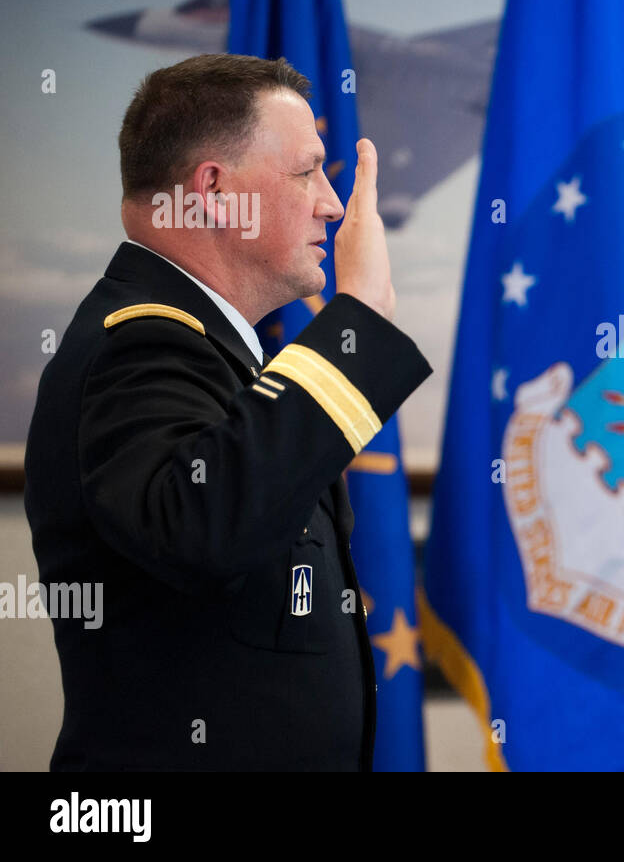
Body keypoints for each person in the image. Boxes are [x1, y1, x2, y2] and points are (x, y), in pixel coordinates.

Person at [24, 54, 432, 770]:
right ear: (214, 190)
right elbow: (207, 527)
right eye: (307, 172)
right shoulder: (139, 342)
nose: (333, 205)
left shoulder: (208, 351)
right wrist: (356, 325)